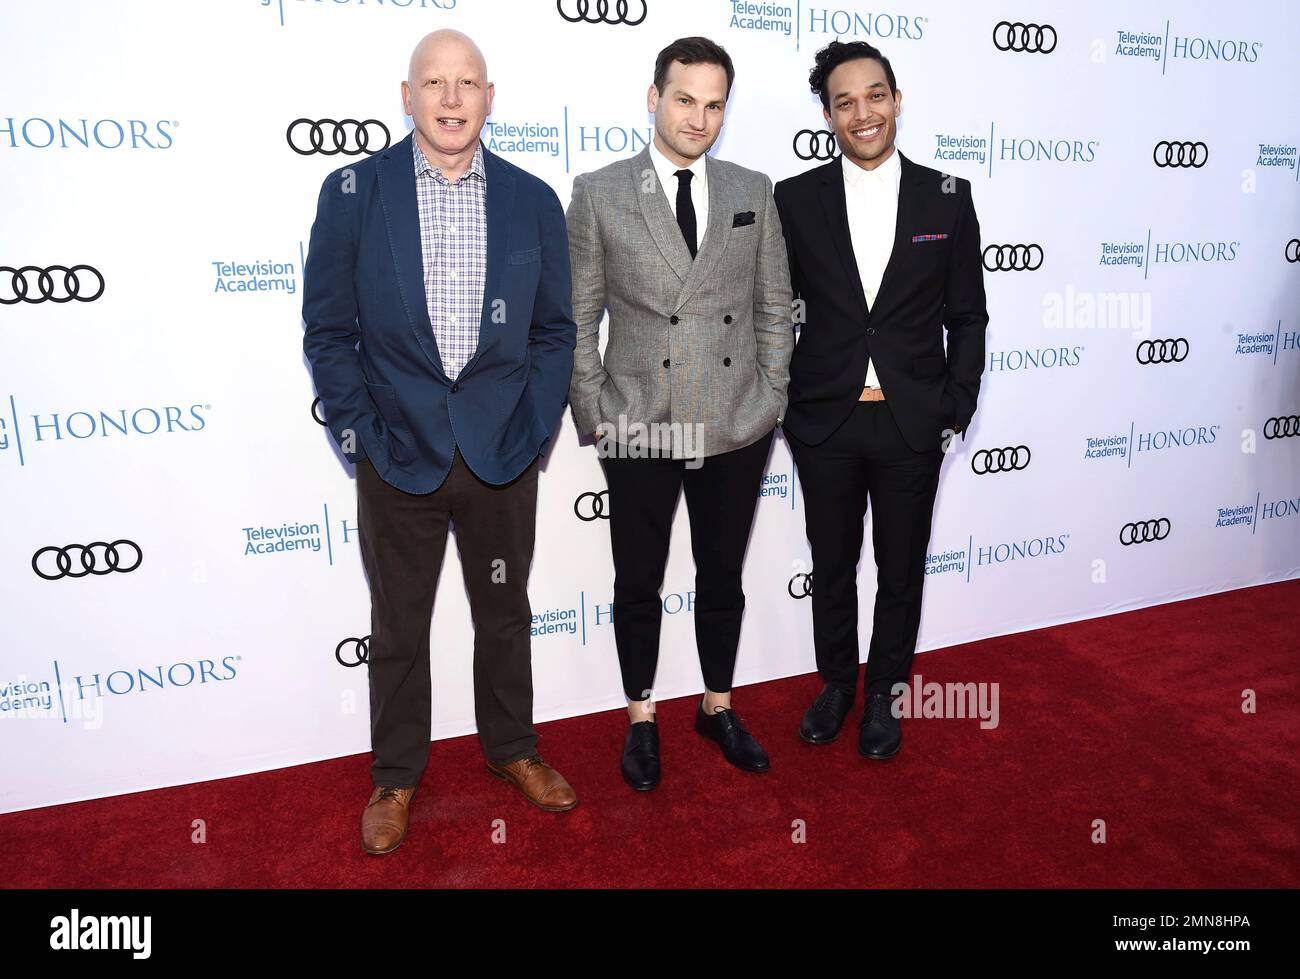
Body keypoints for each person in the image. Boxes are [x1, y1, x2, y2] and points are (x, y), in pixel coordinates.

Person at [302, 29, 578, 854]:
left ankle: (514, 750)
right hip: (398, 454)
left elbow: (555, 331)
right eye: (435, 83)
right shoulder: (353, 192)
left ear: (491, 97)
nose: (451, 99)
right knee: (398, 624)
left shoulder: (532, 198)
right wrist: (362, 440)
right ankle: (395, 775)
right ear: (407, 94)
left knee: (504, 613)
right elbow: (328, 332)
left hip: (500, 455)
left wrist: (533, 431)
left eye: (467, 83)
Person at [567, 36, 794, 791]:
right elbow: (579, 318)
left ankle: (717, 704)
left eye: (715, 103)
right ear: (654, 97)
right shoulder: (600, 192)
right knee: (639, 578)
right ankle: (640, 716)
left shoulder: (751, 189)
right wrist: (598, 410)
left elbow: (772, 305)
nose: (699, 118)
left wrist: (770, 396)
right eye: (685, 98)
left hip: (734, 419)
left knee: (721, 574)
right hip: (638, 423)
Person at [773, 40, 987, 760]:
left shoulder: (947, 195)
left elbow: (969, 315)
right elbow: (772, 307)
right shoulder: (794, 199)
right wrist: (781, 402)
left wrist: (955, 405)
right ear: (827, 114)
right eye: (844, 101)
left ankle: (887, 695)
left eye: (875, 95)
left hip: (910, 420)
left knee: (901, 568)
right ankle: (837, 684)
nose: (862, 112)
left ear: (897, 100)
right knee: (831, 565)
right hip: (825, 419)